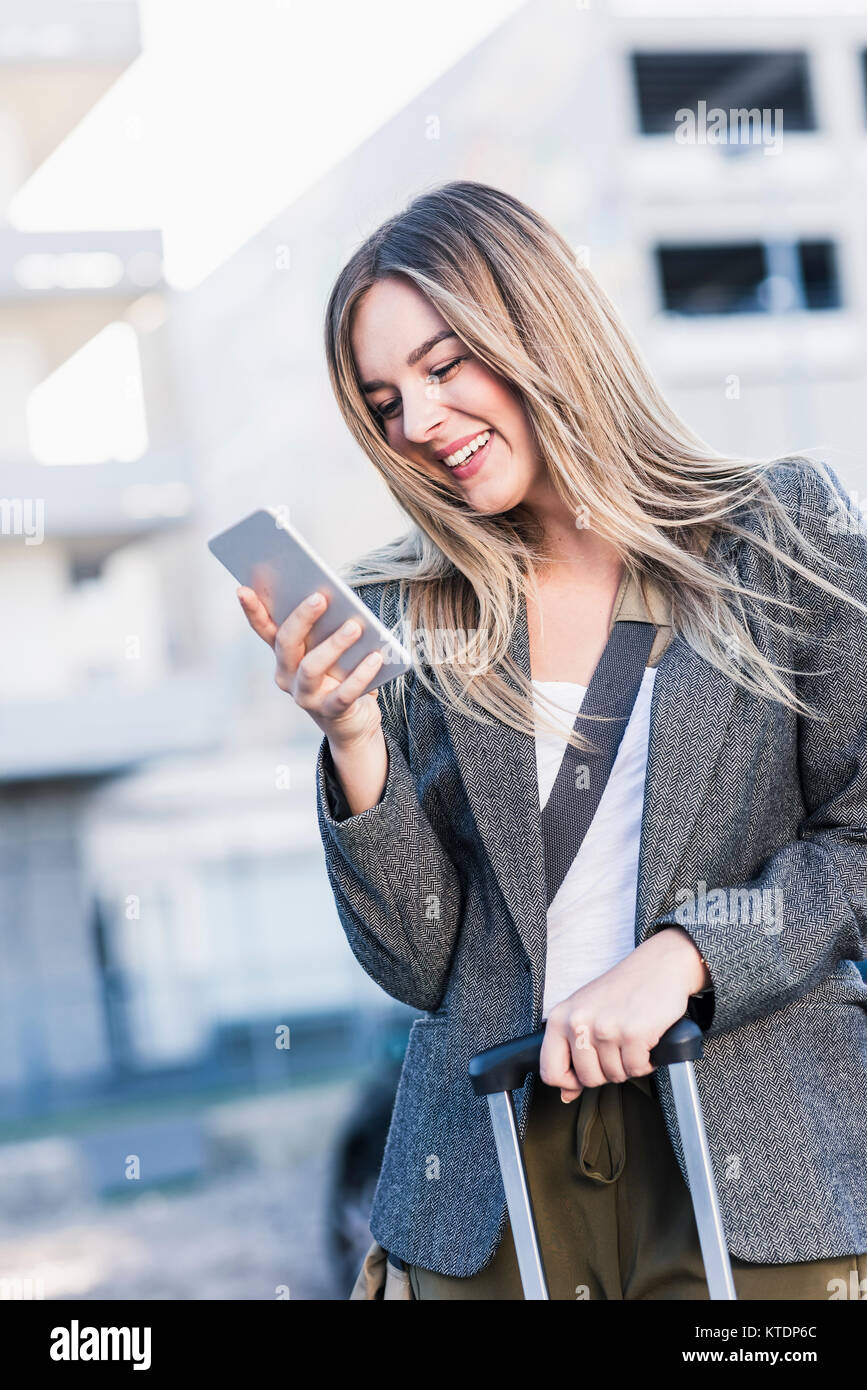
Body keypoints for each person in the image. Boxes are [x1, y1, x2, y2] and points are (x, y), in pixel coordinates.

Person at [238, 180, 867, 1300]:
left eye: (442, 368)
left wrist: (683, 959)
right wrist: (352, 745)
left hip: (760, 1159)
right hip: (491, 1176)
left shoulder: (782, 535)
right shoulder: (418, 612)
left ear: (536, 326)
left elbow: (858, 843)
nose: (418, 424)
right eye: (386, 402)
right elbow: (419, 960)